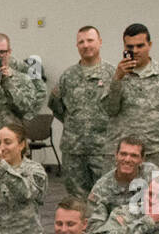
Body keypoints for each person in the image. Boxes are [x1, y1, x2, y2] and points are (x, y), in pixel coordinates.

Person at [102, 23, 159, 169]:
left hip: (154, 155)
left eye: (140, 46)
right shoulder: (113, 75)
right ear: (124, 47)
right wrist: (117, 79)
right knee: (116, 191)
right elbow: (110, 110)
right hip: (120, 156)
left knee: (153, 192)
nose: (135, 51)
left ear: (150, 45)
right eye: (129, 47)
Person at [49, 25, 114, 196]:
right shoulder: (68, 76)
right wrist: (75, 123)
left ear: (100, 42)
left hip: (103, 149)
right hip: (74, 151)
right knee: (76, 200)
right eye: (81, 42)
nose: (86, 45)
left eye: (90, 40)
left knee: (105, 197)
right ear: (77, 46)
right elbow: (56, 106)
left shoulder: (113, 74)